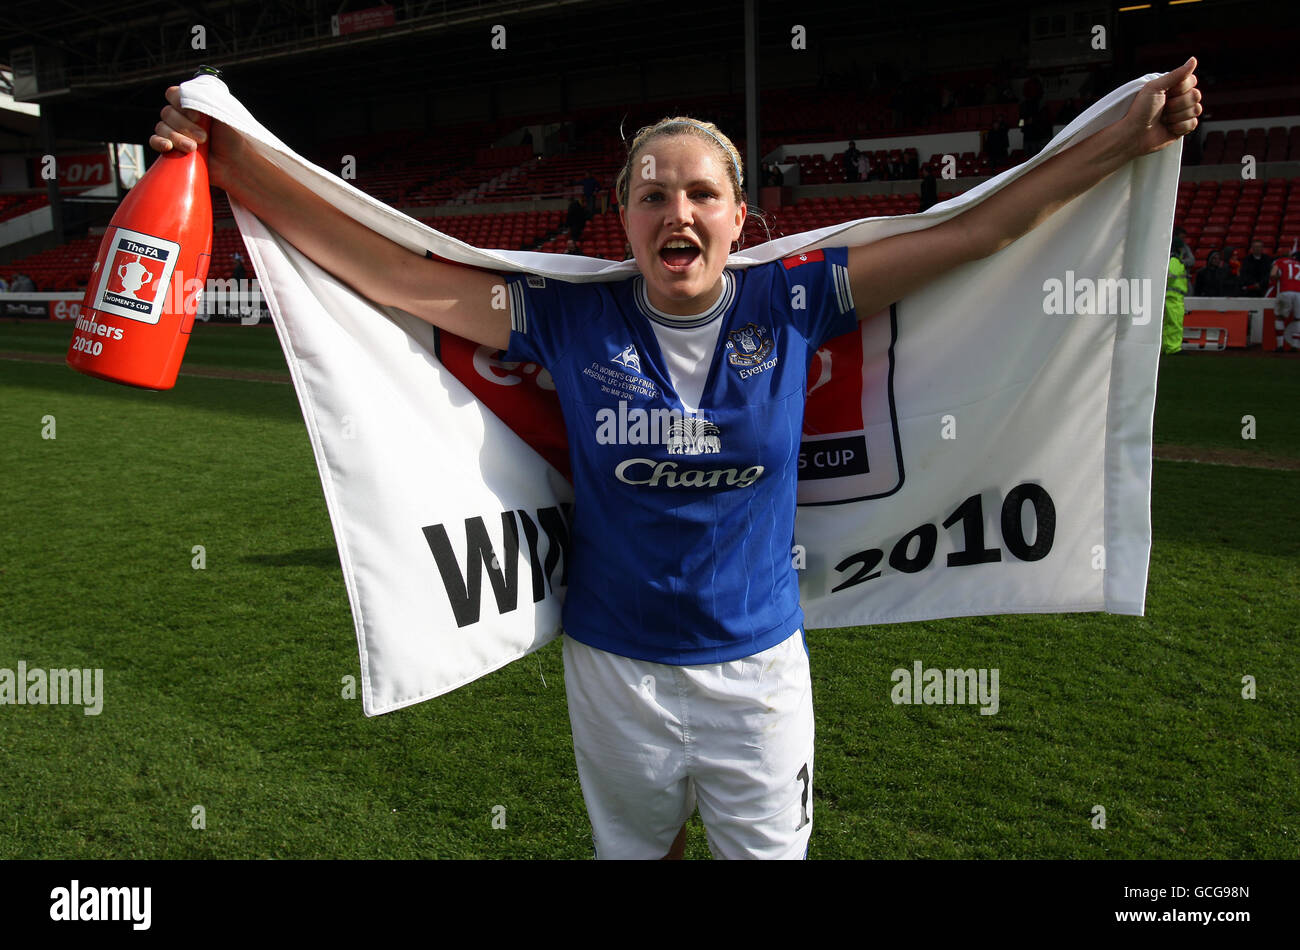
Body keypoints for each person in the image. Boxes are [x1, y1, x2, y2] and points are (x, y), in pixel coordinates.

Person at [151, 57, 1202, 860]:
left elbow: (982, 230)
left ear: (742, 218)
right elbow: (389, 273)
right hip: (613, 670)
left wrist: (1122, 138)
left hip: (757, 675)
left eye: (701, 193)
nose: (677, 210)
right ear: (624, 218)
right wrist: (228, 155)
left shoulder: (793, 299)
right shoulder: (570, 318)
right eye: (652, 194)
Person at [1164, 237, 1189, 354]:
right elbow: (1169, 276)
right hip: (1174, 297)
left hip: (1170, 296)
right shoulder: (1175, 261)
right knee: (1175, 323)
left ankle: (1167, 346)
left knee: (1169, 324)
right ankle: (1174, 348)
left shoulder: (1171, 260)